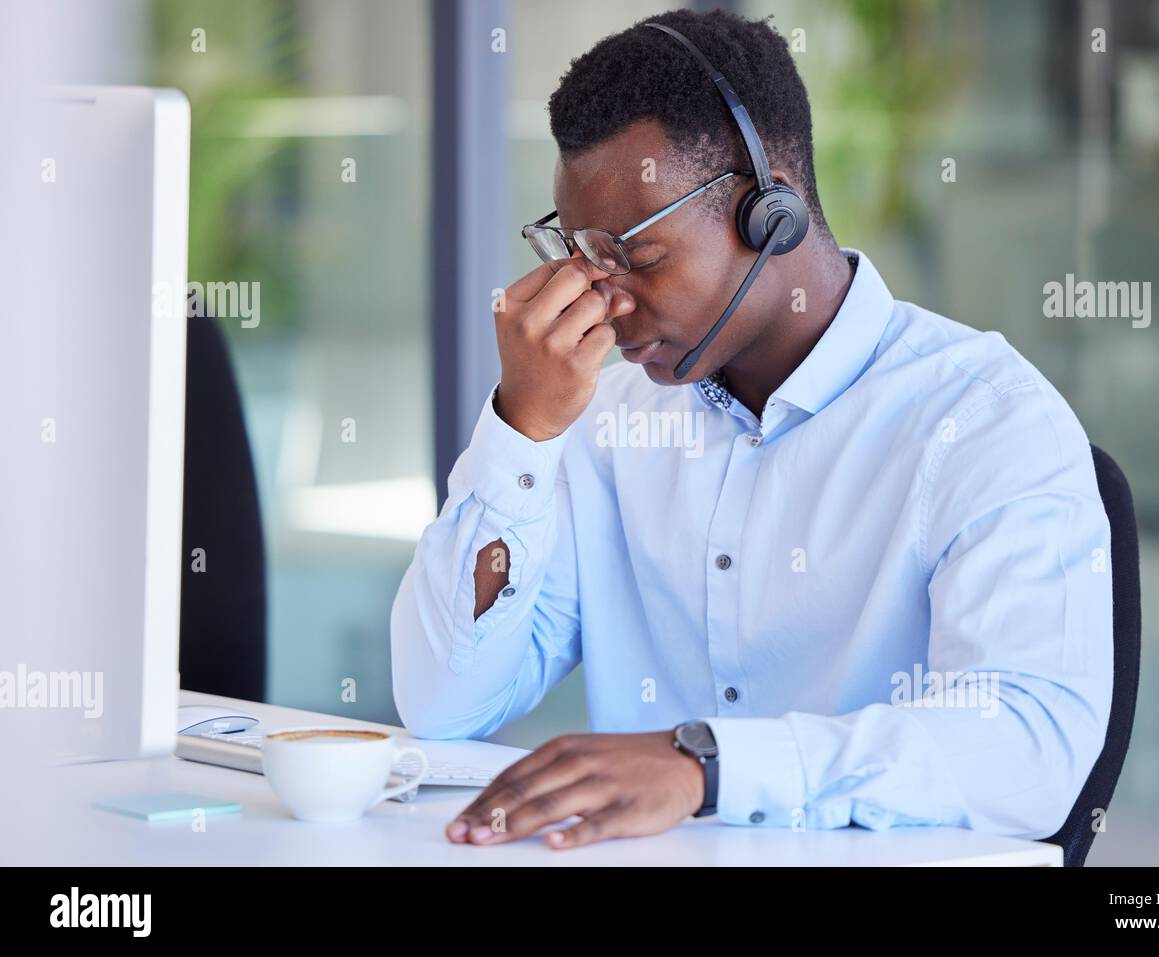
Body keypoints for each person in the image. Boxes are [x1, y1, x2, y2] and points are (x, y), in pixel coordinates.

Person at [390, 8, 1112, 850]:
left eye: (638, 255)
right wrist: (521, 432)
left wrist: (711, 765)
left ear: (772, 208)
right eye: (586, 257)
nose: (607, 300)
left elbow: (1026, 748)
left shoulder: (984, 422)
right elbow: (444, 700)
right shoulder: (610, 426)